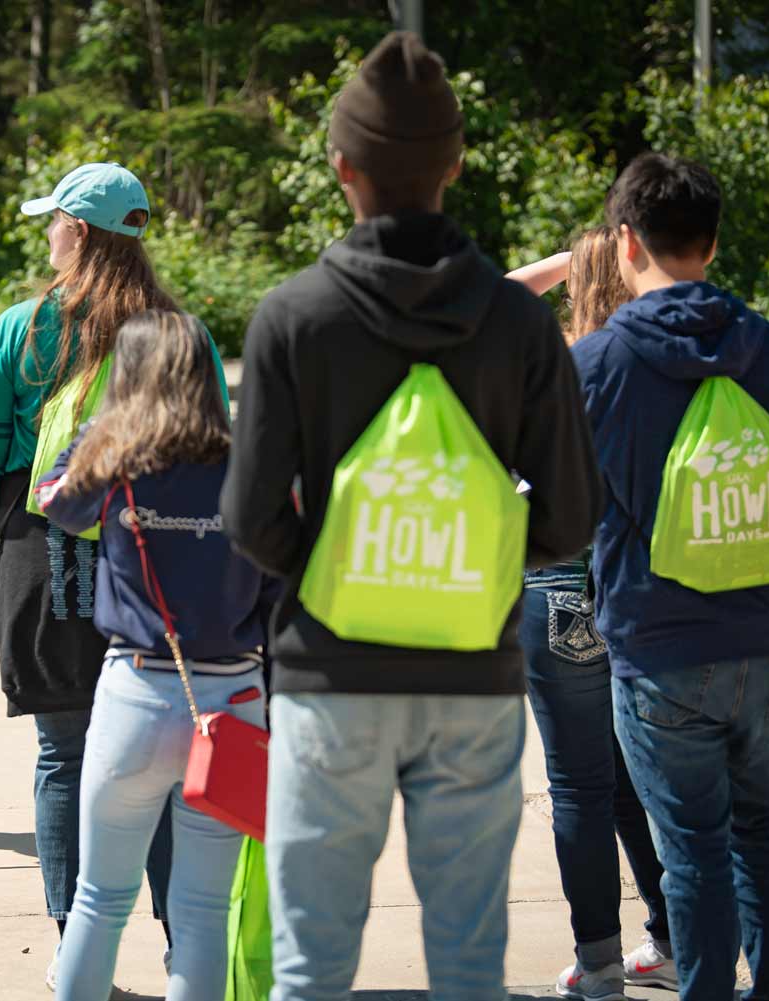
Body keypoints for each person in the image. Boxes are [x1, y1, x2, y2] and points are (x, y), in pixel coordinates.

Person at [221, 31, 602, 1001]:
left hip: (329, 675)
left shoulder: (294, 316)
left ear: (341, 166)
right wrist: (457, 564)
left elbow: (252, 518)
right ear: (455, 164)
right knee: (471, 966)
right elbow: (569, 516)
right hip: (473, 676)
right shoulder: (520, 324)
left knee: (310, 969)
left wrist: (347, 563)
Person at [0, 163, 228, 987]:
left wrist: (3, 544)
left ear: (78, 231)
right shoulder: (183, 331)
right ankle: (187, 948)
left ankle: (76, 956)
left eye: (55, 222)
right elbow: (218, 447)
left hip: (49, 556)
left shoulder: (22, 328)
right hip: (162, 566)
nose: (47, 234)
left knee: (65, 758)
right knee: (169, 765)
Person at [574, 152, 769, 1001]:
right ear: (711, 242)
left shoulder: (598, 364)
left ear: (625, 240)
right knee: (765, 828)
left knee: (694, 850)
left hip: (662, 645)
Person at [37, 310, 276, 1001]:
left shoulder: (115, 463)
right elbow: (282, 583)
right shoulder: (251, 464)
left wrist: (93, 433)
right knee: (201, 910)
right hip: (232, 702)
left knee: (98, 898)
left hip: (136, 695)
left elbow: (54, 502)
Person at [515, 227, 675, 1001]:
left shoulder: (560, 368)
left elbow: (485, 302)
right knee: (632, 778)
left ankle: (601, 962)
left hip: (559, 585)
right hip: (642, 587)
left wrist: (576, 261)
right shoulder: (654, 361)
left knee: (579, 784)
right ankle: (671, 938)